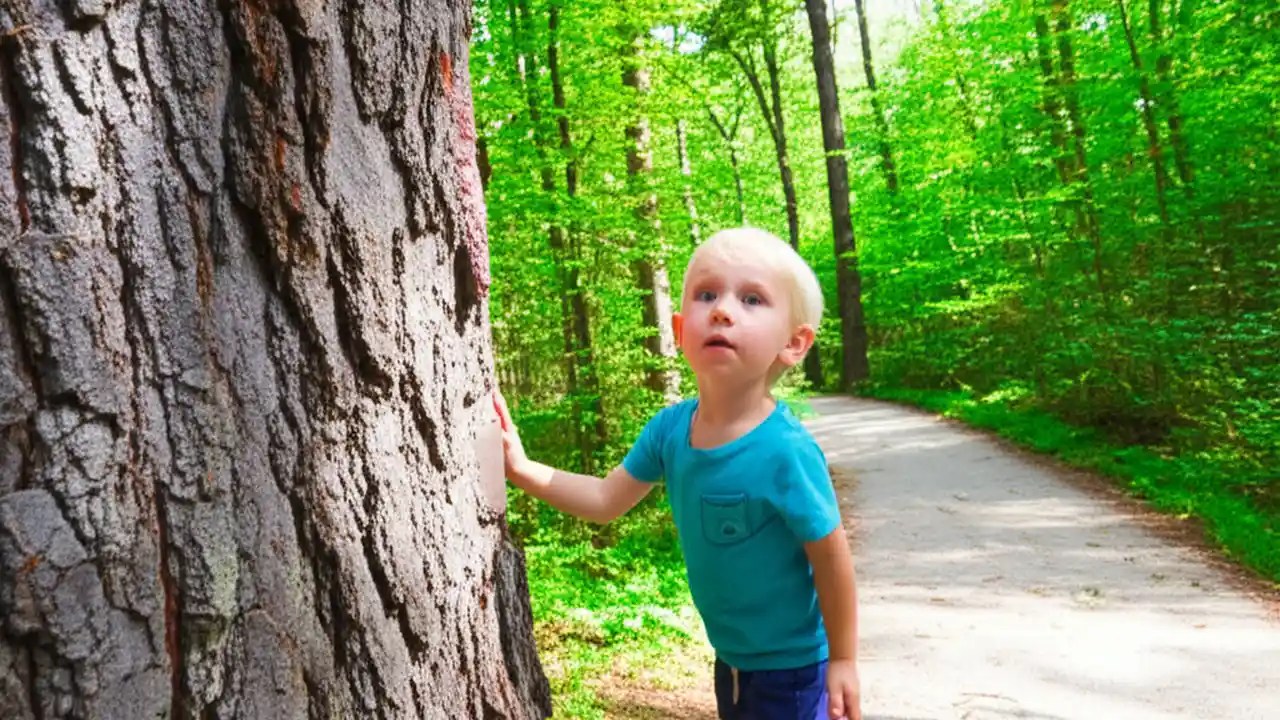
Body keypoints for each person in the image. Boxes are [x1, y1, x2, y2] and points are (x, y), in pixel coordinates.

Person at [493, 227, 860, 720]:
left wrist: (843, 658)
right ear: (681, 327)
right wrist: (521, 468)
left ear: (793, 343)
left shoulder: (785, 451)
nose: (723, 309)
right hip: (730, 663)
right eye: (707, 294)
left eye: (752, 299)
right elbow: (606, 500)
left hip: (792, 670)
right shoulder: (670, 430)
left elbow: (831, 559)